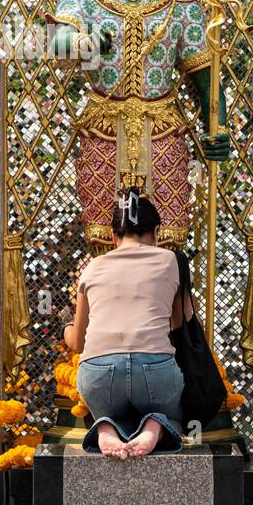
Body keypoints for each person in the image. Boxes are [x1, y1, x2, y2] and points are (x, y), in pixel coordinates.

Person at [62, 189, 187, 458]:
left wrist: (65, 328)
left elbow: (77, 343)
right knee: (176, 417)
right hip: (155, 369)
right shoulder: (171, 261)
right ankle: (157, 425)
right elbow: (181, 324)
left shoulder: (92, 267)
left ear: (112, 236)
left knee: (111, 409)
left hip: (98, 373)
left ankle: (105, 426)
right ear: (156, 232)